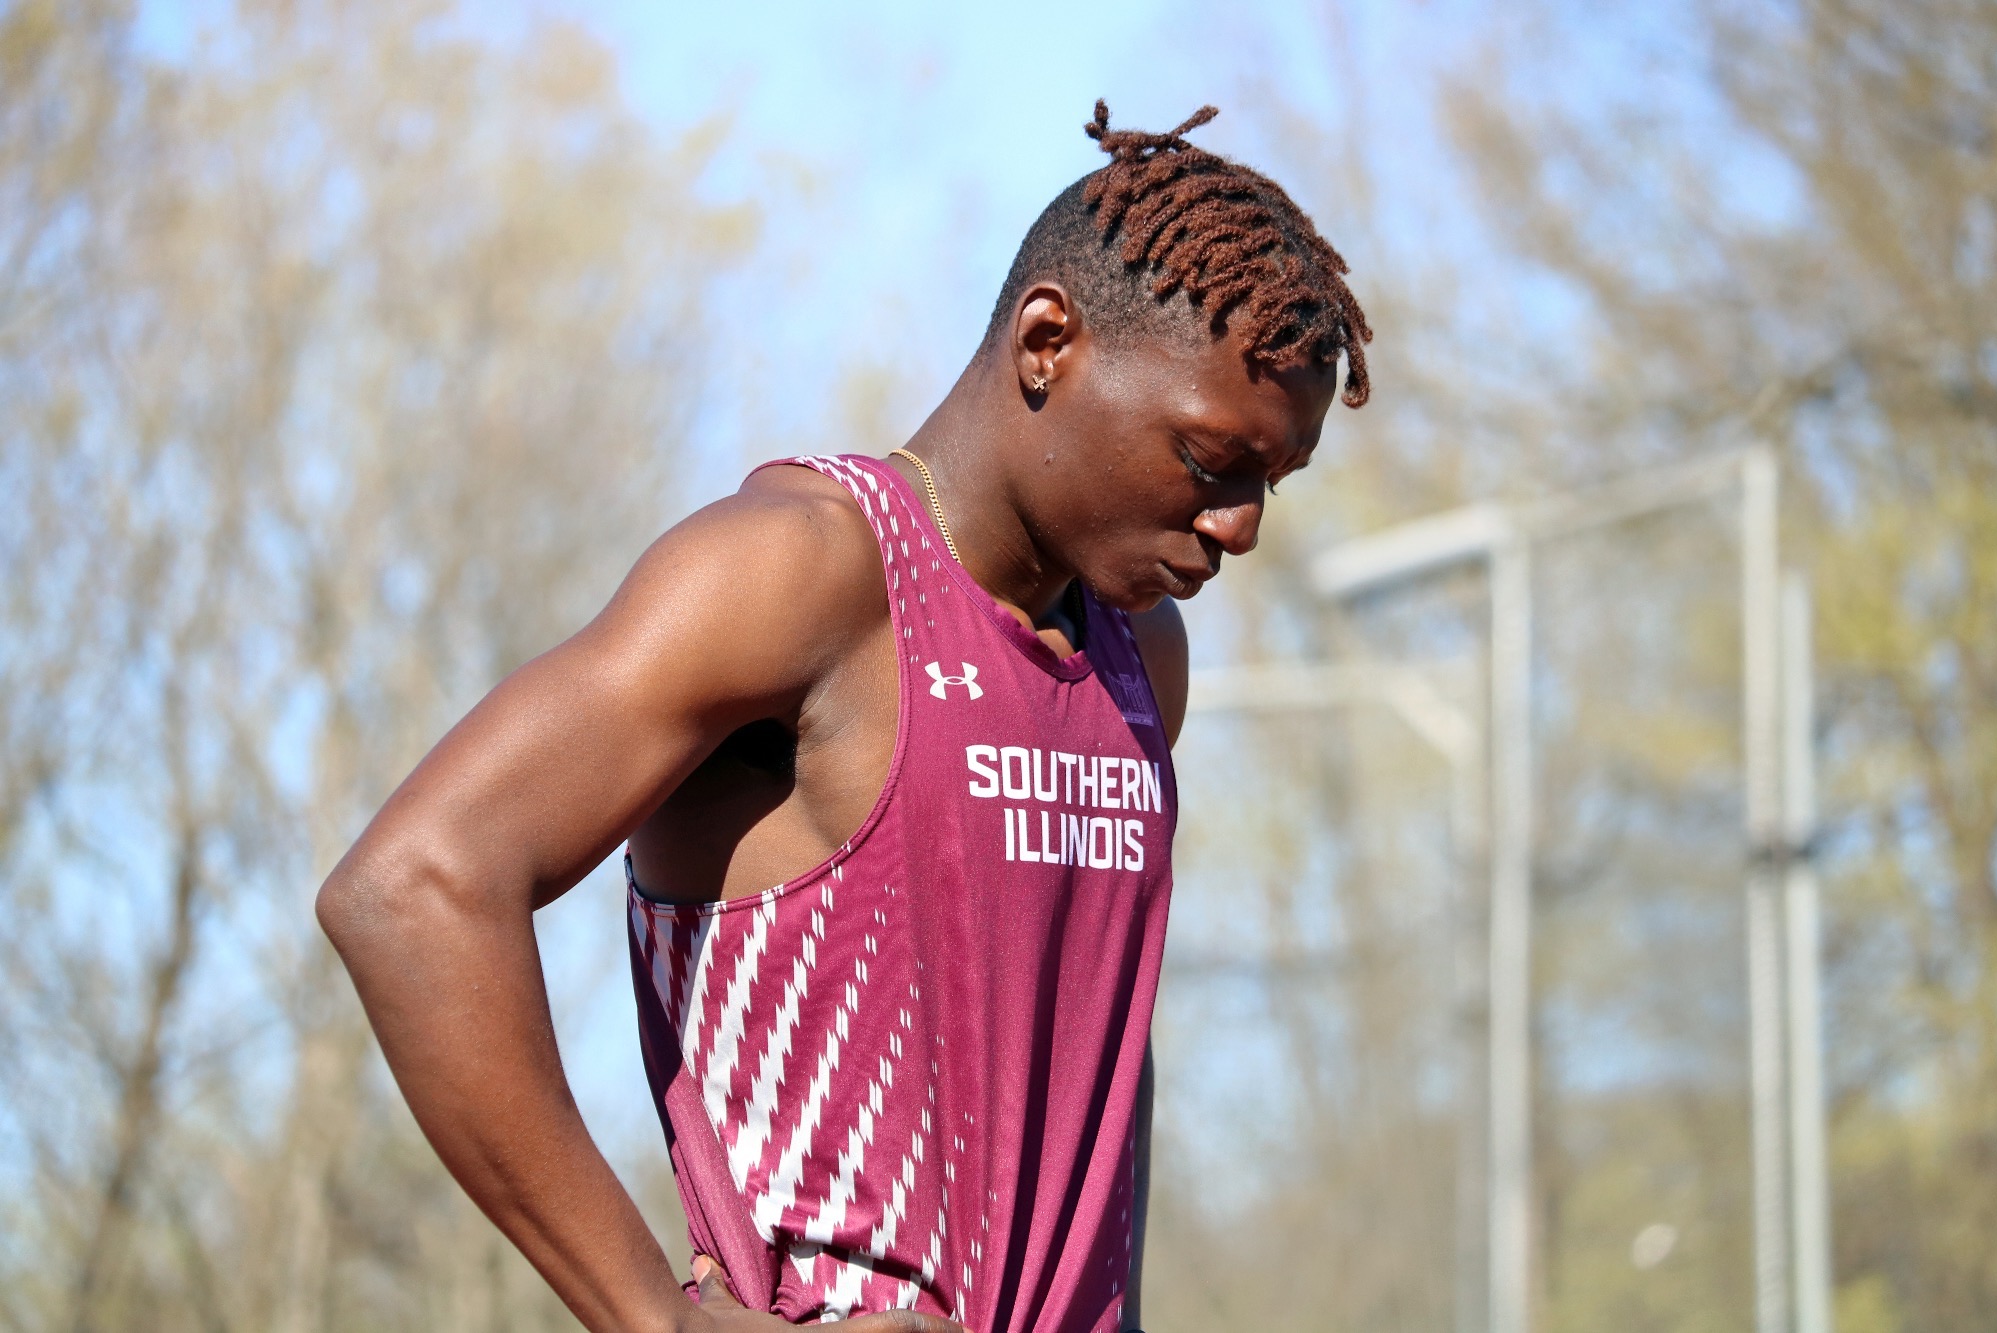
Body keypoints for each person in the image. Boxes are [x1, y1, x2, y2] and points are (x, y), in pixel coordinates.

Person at [317, 100, 1370, 1333]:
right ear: (1047, 342)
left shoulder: (1142, 660)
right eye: (1209, 459)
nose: (1241, 523)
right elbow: (412, 887)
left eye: (1271, 480)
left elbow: (1093, 1058)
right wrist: (656, 1319)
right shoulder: (801, 572)